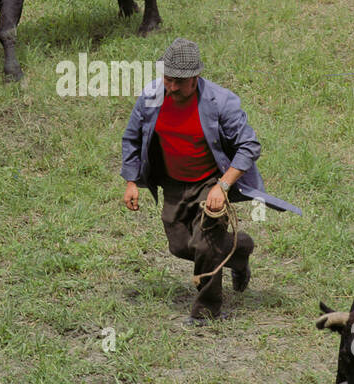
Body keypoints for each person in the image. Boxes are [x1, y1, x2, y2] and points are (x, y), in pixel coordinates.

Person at [121, 38, 300, 323]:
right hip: (173, 183)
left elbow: (249, 146)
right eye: (168, 79)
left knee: (205, 246)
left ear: (196, 78)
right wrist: (132, 181)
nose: (172, 87)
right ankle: (239, 249)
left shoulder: (221, 102)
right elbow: (131, 138)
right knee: (180, 247)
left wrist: (223, 186)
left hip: (210, 182)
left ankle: (208, 311)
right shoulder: (151, 97)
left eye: (180, 82)